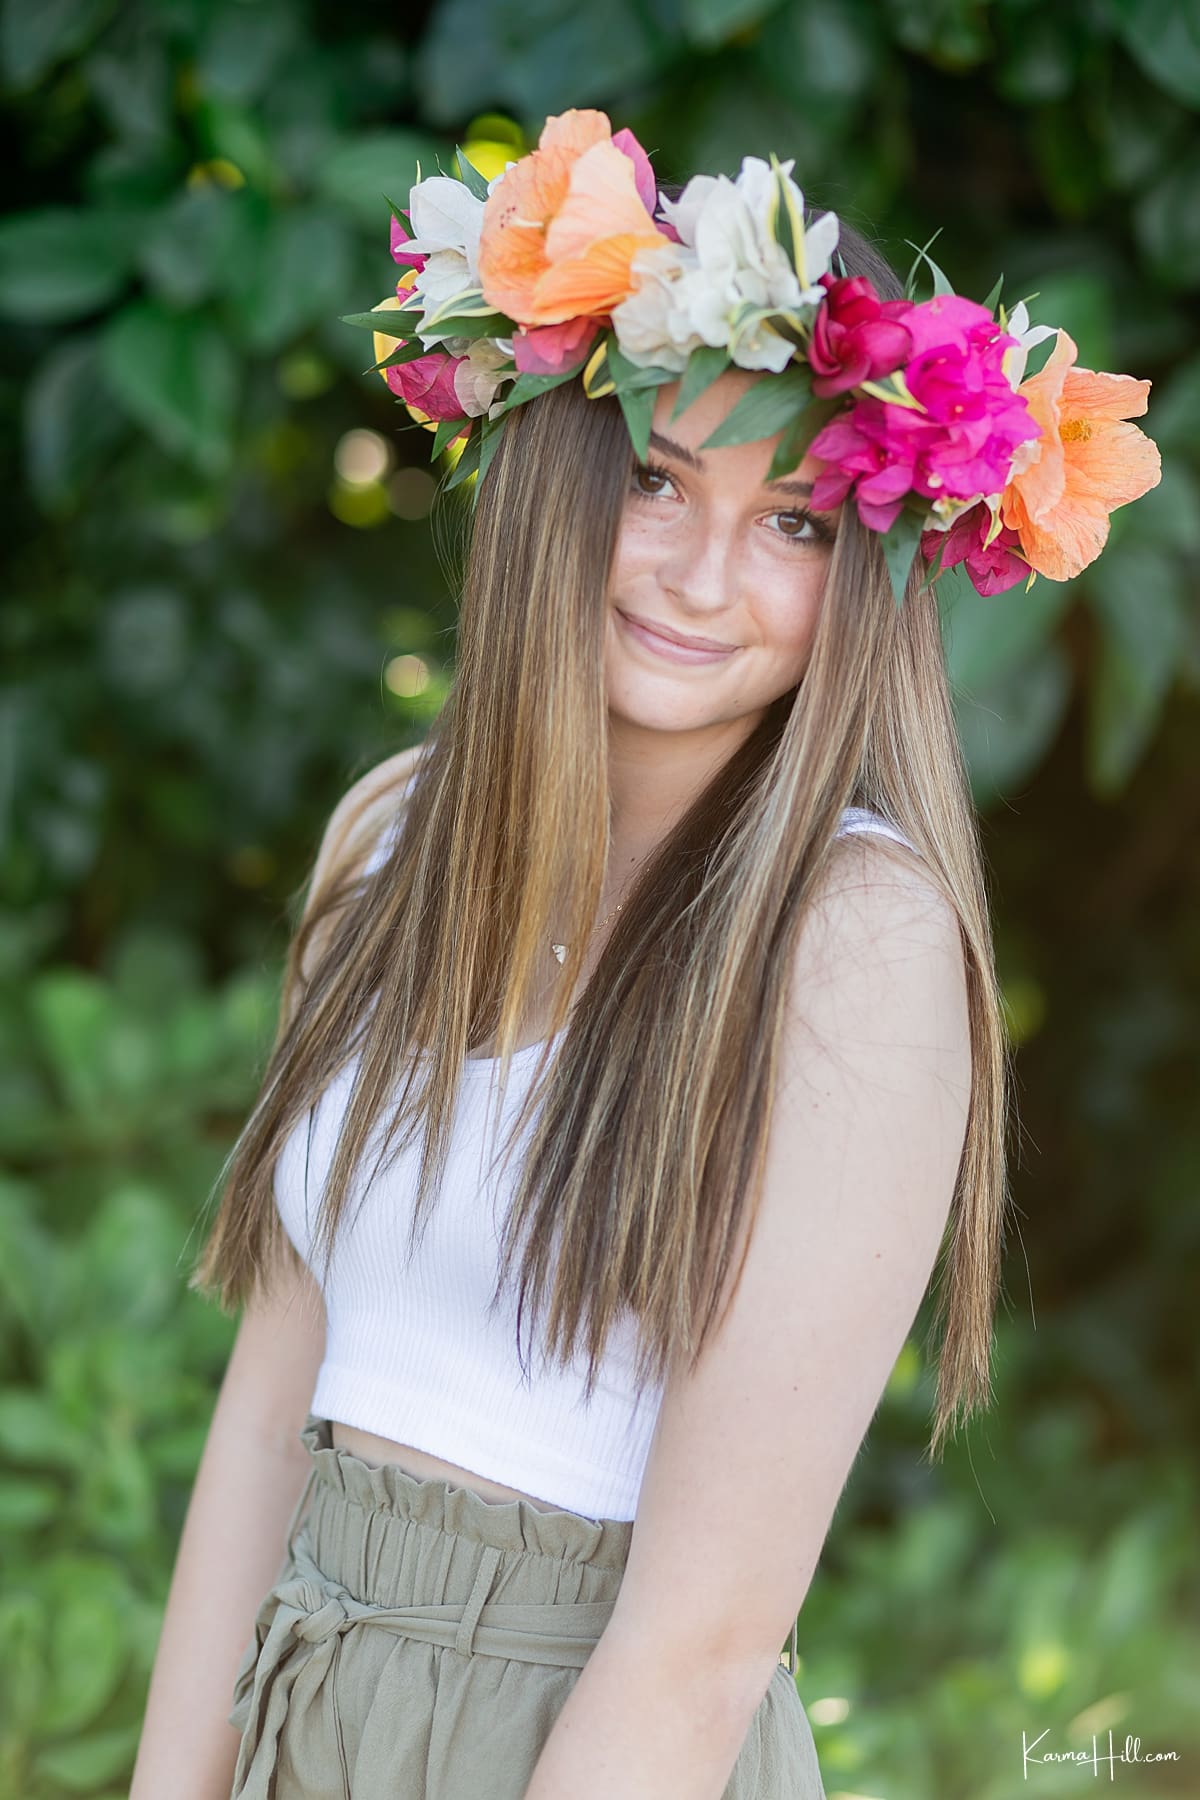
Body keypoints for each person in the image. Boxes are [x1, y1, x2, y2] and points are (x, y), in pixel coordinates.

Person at [130, 110, 1159, 1800]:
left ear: (872, 575)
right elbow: (269, 1409)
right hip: (299, 1692)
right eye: (659, 483)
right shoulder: (392, 837)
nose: (700, 575)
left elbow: (699, 1646)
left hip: (589, 1736)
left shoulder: (852, 943)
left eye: (795, 525)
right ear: (559, 483)